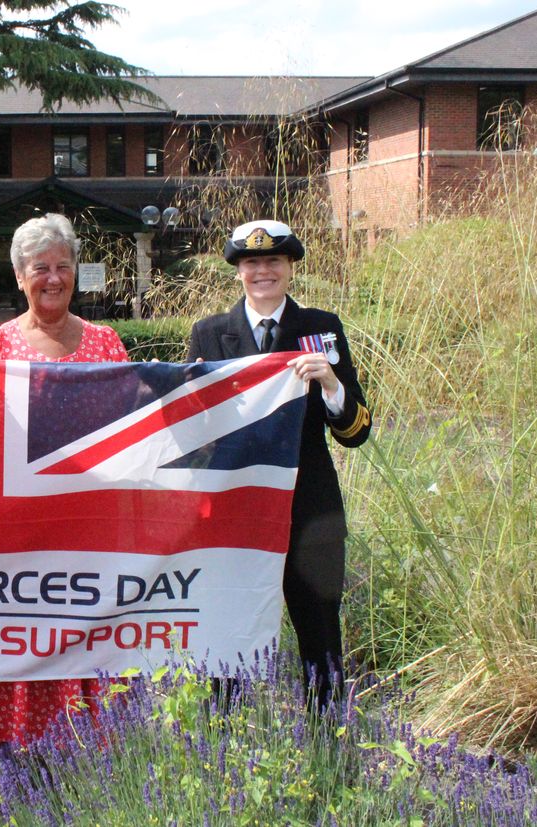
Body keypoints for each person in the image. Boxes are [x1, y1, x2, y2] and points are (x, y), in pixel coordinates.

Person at [0, 213, 129, 750]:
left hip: (86, 529)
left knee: (84, 630)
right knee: (23, 631)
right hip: (15, 531)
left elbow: (133, 426)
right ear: (19, 276)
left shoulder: (106, 342)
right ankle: (13, 754)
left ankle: (87, 749)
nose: (53, 278)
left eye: (62, 266)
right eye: (39, 268)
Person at [187, 219, 372, 709]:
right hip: (236, 515)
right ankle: (223, 750)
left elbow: (356, 432)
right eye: (252, 263)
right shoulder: (208, 335)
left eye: (273, 261)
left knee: (320, 635)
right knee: (228, 640)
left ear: (291, 268)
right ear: (238, 272)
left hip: (310, 511)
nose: (262, 271)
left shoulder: (321, 329)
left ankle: (329, 749)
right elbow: (194, 432)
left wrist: (331, 386)